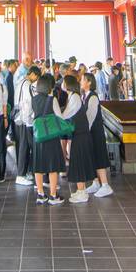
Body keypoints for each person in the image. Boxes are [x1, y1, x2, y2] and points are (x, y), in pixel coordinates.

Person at [59, 74, 97, 202]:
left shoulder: (74, 97)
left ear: (68, 84)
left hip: (81, 134)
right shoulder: (72, 96)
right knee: (77, 160)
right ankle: (81, 191)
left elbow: (65, 114)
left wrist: (56, 115)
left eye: (64, 82)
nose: (62, 85)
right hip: (79, 134)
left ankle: (82, 192)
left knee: (79, 162)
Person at [30, 74, 65, 205]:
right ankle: (53, 195)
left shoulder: (34, 99)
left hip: (38, 136)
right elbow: (59, 117)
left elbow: (30, 116)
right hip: (51, 135)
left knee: (38, 165)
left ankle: (40, 194)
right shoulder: (52, 100)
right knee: (52, 166)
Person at [80, 72, 114, 197]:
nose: (81, 81)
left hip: (95, 132)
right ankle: (96, 182)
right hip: (89, 132)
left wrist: (83, 130)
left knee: (98, 156)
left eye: (83, 80)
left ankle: (105, 184)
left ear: (89, 82)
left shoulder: (93, 97)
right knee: (92, 157)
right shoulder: (85, 95)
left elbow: (90, 116)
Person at [13, 65, 40, 187]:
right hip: (25, 120)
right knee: (25, 147)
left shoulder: (20, 82)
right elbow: (28, 103)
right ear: (33, 74)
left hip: (18, 118)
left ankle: (25, 172)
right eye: (37, 77)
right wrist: (31, 119)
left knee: (22, 146)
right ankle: (21, 175)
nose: (37, 80)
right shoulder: (28, 84)